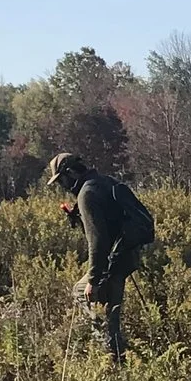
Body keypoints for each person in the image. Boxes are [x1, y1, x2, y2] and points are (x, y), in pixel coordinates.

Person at [42, 151, 154, 363]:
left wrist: (93, 280)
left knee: (83, 295)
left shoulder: (87, 194)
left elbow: (98, 241)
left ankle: (111, 359)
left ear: (70, 173)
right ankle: (119, 355)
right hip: (126, 254)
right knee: (111, 311)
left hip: (113, 260)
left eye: (61, 180)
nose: (62, 186)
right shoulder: (104, 182)